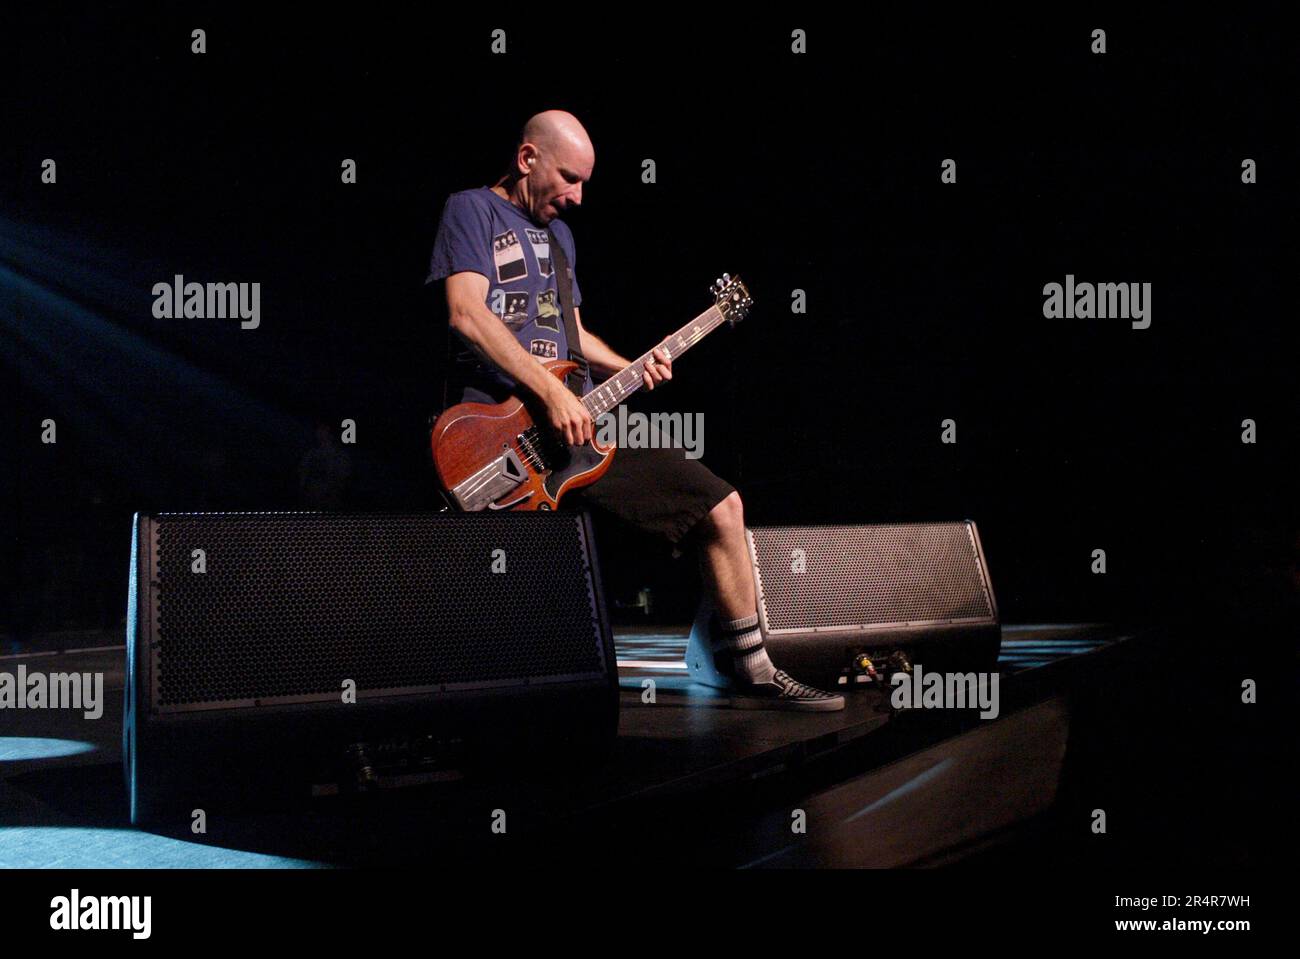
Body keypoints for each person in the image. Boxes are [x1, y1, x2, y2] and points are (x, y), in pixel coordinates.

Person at [426, 110, 843, 711]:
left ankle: (751, 667)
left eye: (585, 183)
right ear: (526, 159)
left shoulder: (562, 238)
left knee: (721, 506)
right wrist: (550, 392)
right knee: (506, 602)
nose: (577, 196)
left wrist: (632, 365)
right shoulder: (470, 210)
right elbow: (466, 313)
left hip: (577, 430)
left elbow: (573, 334)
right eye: (569, 178)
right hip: (500, 437)